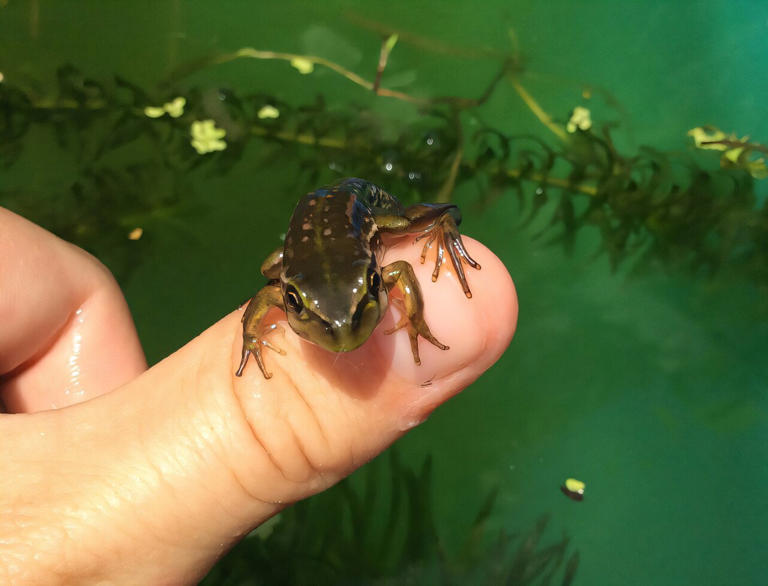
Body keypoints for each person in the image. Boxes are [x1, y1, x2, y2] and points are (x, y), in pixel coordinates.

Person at [0, 206, 517, 584]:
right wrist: (250, 335)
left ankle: (440, 228)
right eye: (300, 309)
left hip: (355, 209)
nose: (340, 332)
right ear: (291, 301)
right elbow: (270, 292)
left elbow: (401, 270)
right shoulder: (280, 292)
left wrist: (416, 314)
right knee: (274, 268)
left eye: (367, 301)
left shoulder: (385, 270)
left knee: (411, 228)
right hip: (311, 253)